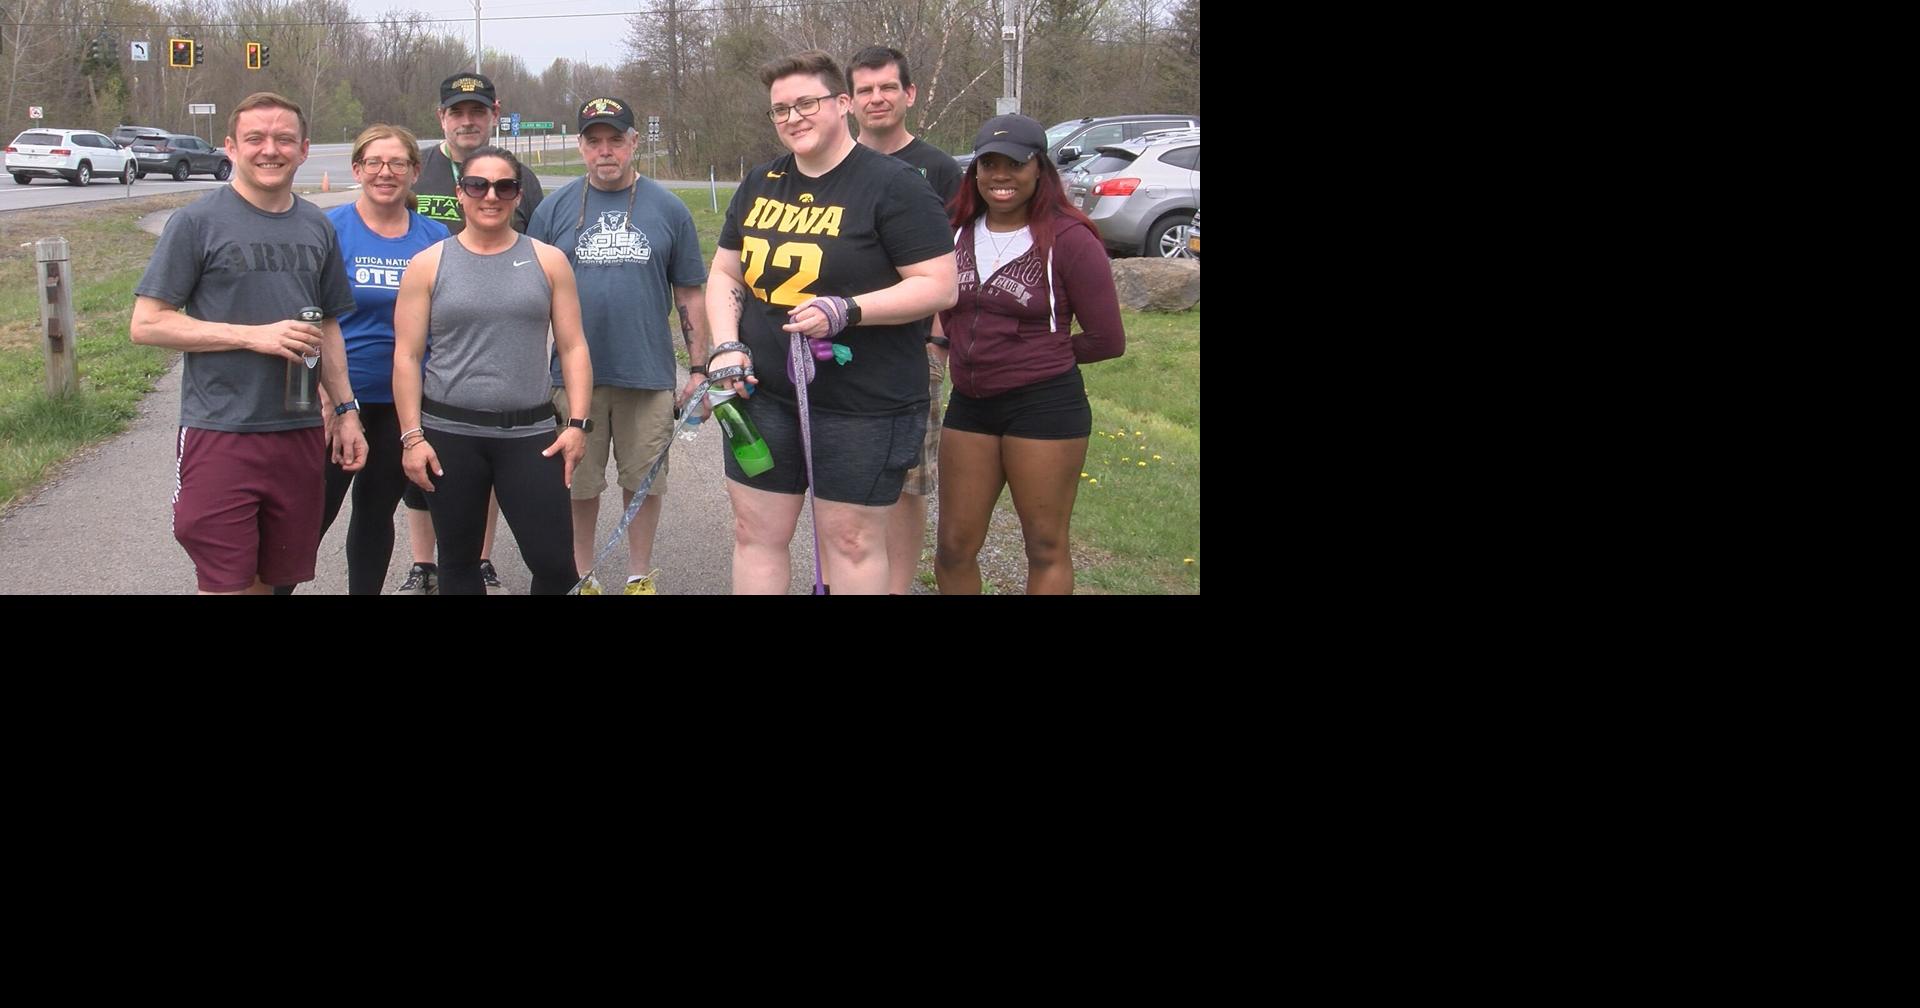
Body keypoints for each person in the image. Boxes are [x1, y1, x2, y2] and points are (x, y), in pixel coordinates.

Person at [704, 49, 957, 595]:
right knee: (754, 532)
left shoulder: (895, 185)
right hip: (764, 394)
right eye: (780, 109)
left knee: (851, 543)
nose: (793, 117)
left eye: (806, 103)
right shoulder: (760, 183)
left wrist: (851, 309)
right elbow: (726, 273)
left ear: (842, 104)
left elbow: (939, 284)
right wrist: (725, 345)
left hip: (864, 403)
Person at [131, 92, 366, 595]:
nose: (270, 150)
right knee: (224, 580)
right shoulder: (196, 222)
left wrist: (346, 411)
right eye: (255, 138)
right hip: (222, 429)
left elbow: (327, 326)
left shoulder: (316, 226)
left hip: (299, 432)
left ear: (304, 150)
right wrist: (251, 336)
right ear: (231, 147)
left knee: (273, 579)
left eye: (283, 139)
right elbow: (147, 324)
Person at [934, 114, 1125, 595]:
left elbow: (1107, 339)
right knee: (954, 546)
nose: (1001, 175)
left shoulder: (1070, 238)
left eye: (1015, 164)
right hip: (971, 406)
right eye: (989, 163)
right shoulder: (956, 231)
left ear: (1040, 168)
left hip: (1044, 408)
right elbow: (944, 308)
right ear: (974, 172)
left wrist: (1041, 355)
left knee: (1043, 546)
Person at [527, 96, 709, 595]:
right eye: (594, 141)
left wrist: (698, 371)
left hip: (646, 372)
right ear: (581, 146)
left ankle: (637, 574)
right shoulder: (554, 209)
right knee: (577, 482)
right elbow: (530, 292)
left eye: (615, 140)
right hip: (572, 379)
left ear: (634, 143)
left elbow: (690, 291)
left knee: (643, 479)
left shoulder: (668, 208)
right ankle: (582, 573)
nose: (605, 151)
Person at [393, 146, 591, 595]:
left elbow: (574, 345)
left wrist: (578, 423)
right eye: (478, 185)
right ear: (460, 193)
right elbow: (406, 356)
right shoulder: (428, 264)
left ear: (518, 195)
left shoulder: (548, 260)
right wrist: (412, 437)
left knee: (555, 565)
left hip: (530, 436)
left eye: (504, 186)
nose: (490, 196)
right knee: (459, 564)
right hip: (450, 435)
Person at [275, 126, 449, 594]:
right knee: (310, 515)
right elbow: (305, 315)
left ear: (415, 171)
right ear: (357, 169)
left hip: (401, 402)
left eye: (397, 163)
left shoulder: (435, 238)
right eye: (374, 162)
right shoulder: (328, 229)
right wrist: (320, 394)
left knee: (375, 511)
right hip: (336, 399)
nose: (385, 173)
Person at [407, 70, 550, 592]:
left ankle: (479, 557)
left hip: (488, 327)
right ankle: (424, 562)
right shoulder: (417, 170)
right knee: (422, 464)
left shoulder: (517, 176)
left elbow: (535, 248)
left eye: (477, 111)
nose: (467, 120)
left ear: (493, 113)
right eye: (456, 111)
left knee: (477, 446)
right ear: (441, 116)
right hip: (421, 317)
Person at [847, 45, 962, 595]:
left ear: (909, 94)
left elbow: (957, 264)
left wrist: (938, 343)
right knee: (844, 480)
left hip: (914, 349)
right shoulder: (834, 164)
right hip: (841, 348)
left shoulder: (938, 170)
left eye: (887, 87)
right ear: (848, 101)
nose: (877, 99)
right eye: (865, 90)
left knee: (906, 484)